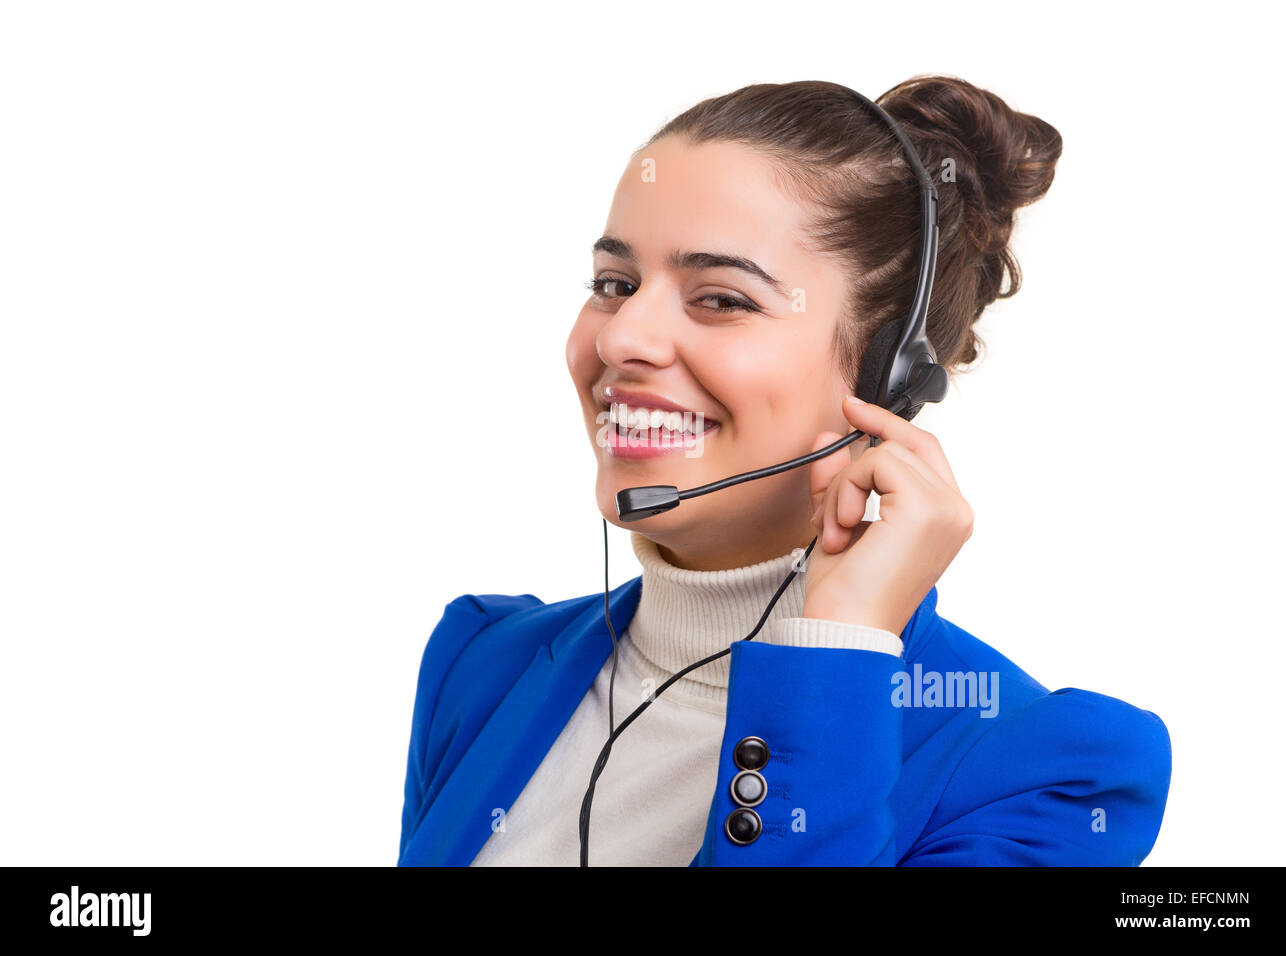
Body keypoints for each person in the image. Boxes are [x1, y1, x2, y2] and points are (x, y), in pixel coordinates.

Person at [397, 76, 1173, 866]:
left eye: (722, 299)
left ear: (884, 379)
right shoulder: (482, 664)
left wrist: (836, 649)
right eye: (614, 285)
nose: (622, 337)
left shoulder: (1044, 773)